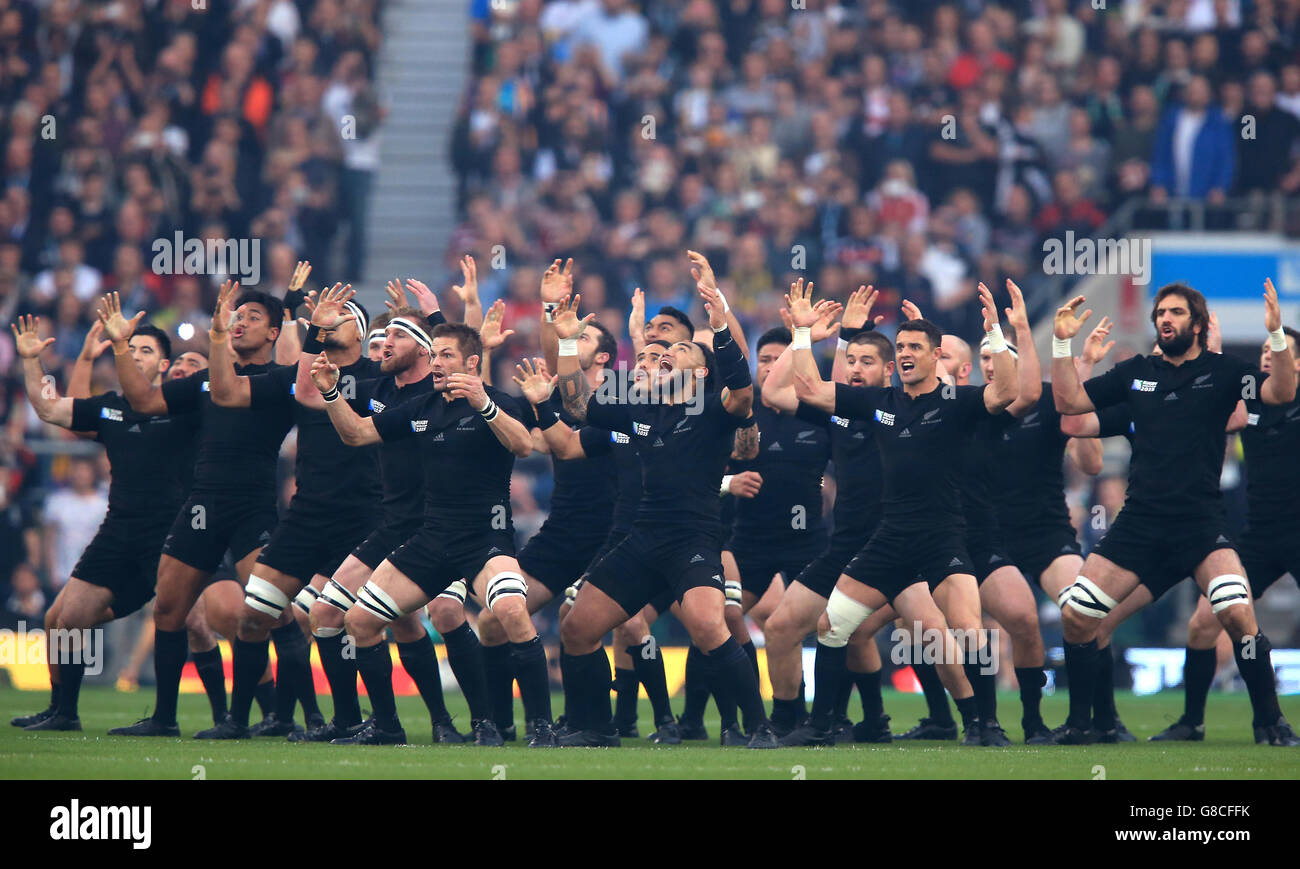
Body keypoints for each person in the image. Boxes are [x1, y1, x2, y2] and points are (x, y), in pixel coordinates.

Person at [1049, 280, 1299, 746]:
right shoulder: (1135, 373)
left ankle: (1270, 721)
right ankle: (1084, 724)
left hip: (1200, 525)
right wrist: (1062, 345)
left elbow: (1281, 393)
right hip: (1140, 524)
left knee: (1236, 614)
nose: (1166, 319)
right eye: (1161, 312)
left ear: (1198, 324)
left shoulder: (1224, 373)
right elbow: (1069, 405)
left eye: (1177, 313)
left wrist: (1277, 337)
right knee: (1077, 616)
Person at [786, 280, 1019, 746]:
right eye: (903, 346)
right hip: (890, 537)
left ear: (936, 357)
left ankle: (985, 725)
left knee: (968, 629)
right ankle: (819, 726)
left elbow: (1007, 391)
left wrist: (994, 333)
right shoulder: (880, 403)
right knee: (831, 626)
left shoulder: (956, 403)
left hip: (942, 535)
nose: (908, 352)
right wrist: (802, 333)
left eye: (916, 346)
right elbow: (810, 389)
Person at [553, 281, 779, 748]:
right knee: (576, 626)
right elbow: (577, 405)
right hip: (641, 538)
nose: (664, 355)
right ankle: (593, 727)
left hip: (692, 539)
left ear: (699, 375)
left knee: (709, 625)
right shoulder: (640, 407)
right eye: (660, 353)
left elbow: (742, 394)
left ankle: (759, 729)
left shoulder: (713, 410)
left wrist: (719, 329)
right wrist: (567, 344)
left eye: (677, 350)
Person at [309, 321, 548, 746]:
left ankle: (538, 729)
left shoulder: (499, 401)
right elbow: (358, 433)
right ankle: (387, 728)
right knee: (359, 621)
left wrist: (484, 405)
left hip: (485, 538)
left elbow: (523, 445)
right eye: (434, 355)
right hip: (432, 536)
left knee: (512, 611)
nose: (436, 363)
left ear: (471, 363)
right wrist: (331, 393)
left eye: (446, 356)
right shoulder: (422, 405)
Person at [100, 285, 295, 738]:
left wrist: (219, 338)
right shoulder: (206, 380)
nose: (240, 320)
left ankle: (290, 717)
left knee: (266, 612)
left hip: (253, 507)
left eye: (251, 316)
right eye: (236, 314)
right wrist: (119, 346)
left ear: (273, 332)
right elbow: (143, 402)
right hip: (203, 503)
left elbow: (228, 394)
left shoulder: (280, 377)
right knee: (168, 608)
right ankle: (165, 718)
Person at [303, 295, 484, 745]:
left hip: (443, 526)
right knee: (326, 612)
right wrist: (317, 334)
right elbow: (318, 401)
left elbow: (469, 357)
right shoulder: (376, 386)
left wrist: (439, 315)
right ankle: (364, 722)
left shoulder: (445, 389)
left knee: (442, 611)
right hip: (394, 524)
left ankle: (480, 722)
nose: (381, 346)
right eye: (380, 337)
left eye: (395, 337)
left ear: (425, 349)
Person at [10, 317, 196, 730]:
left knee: (181, 620)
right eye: (130, 349)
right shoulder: (112, 406)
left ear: (165, 366)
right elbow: (51, 408)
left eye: (146, 350)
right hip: (118, 530)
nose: (135, 356)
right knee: (59, 619)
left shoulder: (184, 407)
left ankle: (211, 715)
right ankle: (62, 711)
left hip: (166, 533)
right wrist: (30, 361)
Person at [758, 285, 896, 741]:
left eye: (866, 362)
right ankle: (788, 720)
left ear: (890, 371)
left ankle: (979, 722)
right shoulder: (839, 415)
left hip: (902, 546)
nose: (855, 369)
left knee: (944, 631)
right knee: (780, 627)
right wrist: (804, 336)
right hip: (846, 545)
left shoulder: (901, 408)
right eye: (851, 361)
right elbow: (775, 391)